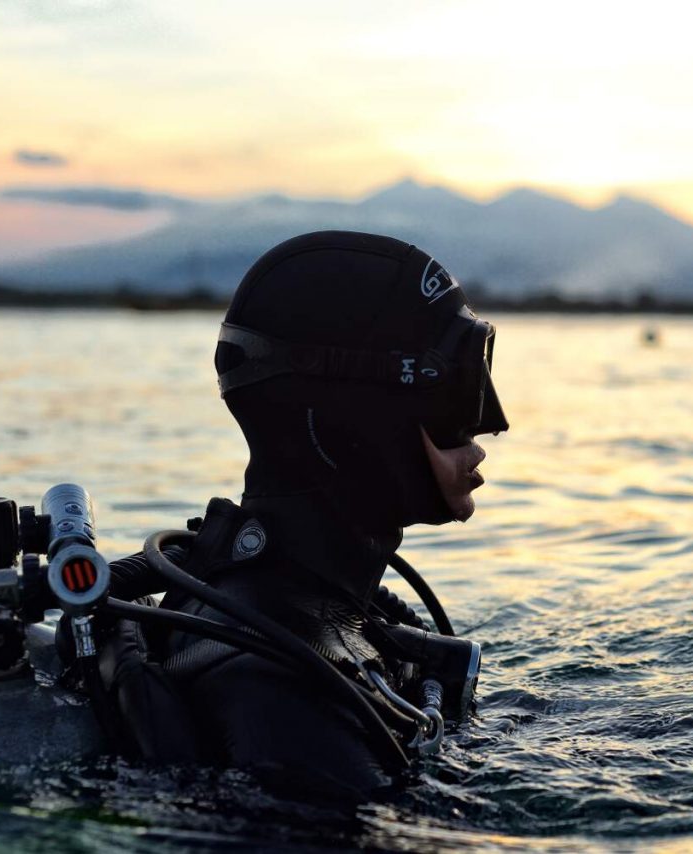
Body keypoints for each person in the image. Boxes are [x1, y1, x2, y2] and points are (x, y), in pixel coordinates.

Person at [83, 231, 508, 798]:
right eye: (456, 390)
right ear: (355, 417)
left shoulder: (246, 595)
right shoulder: (284, 693)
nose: (490, 423)